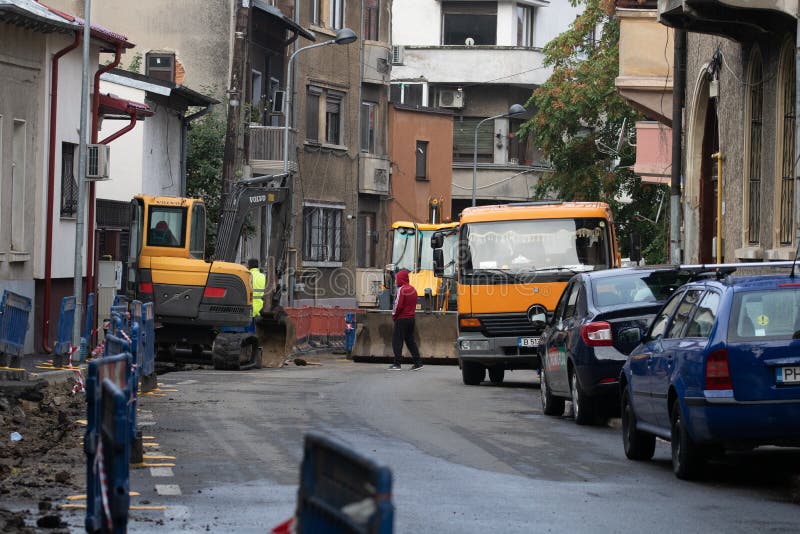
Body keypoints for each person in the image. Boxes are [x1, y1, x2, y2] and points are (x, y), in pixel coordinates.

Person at [389, 269, 423, 371]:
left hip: (401, 319)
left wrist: (394, 315)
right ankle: (418, 363)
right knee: (410, 341)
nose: (396, 281)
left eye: (397, 279)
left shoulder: (402, 290)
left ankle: (397, 364)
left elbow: (398, 305)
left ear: (401, 279)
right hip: (411, 319)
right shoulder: (413, 290)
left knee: (397, 341)